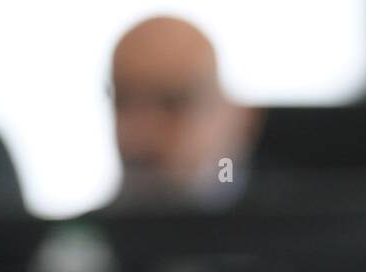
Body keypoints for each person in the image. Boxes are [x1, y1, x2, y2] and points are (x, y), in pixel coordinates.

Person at [104, 16, 260, 212]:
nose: (140, 134)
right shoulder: (76, 238)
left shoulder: (291, 233)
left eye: (173, 102)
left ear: (241, 117)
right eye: (123, 101)